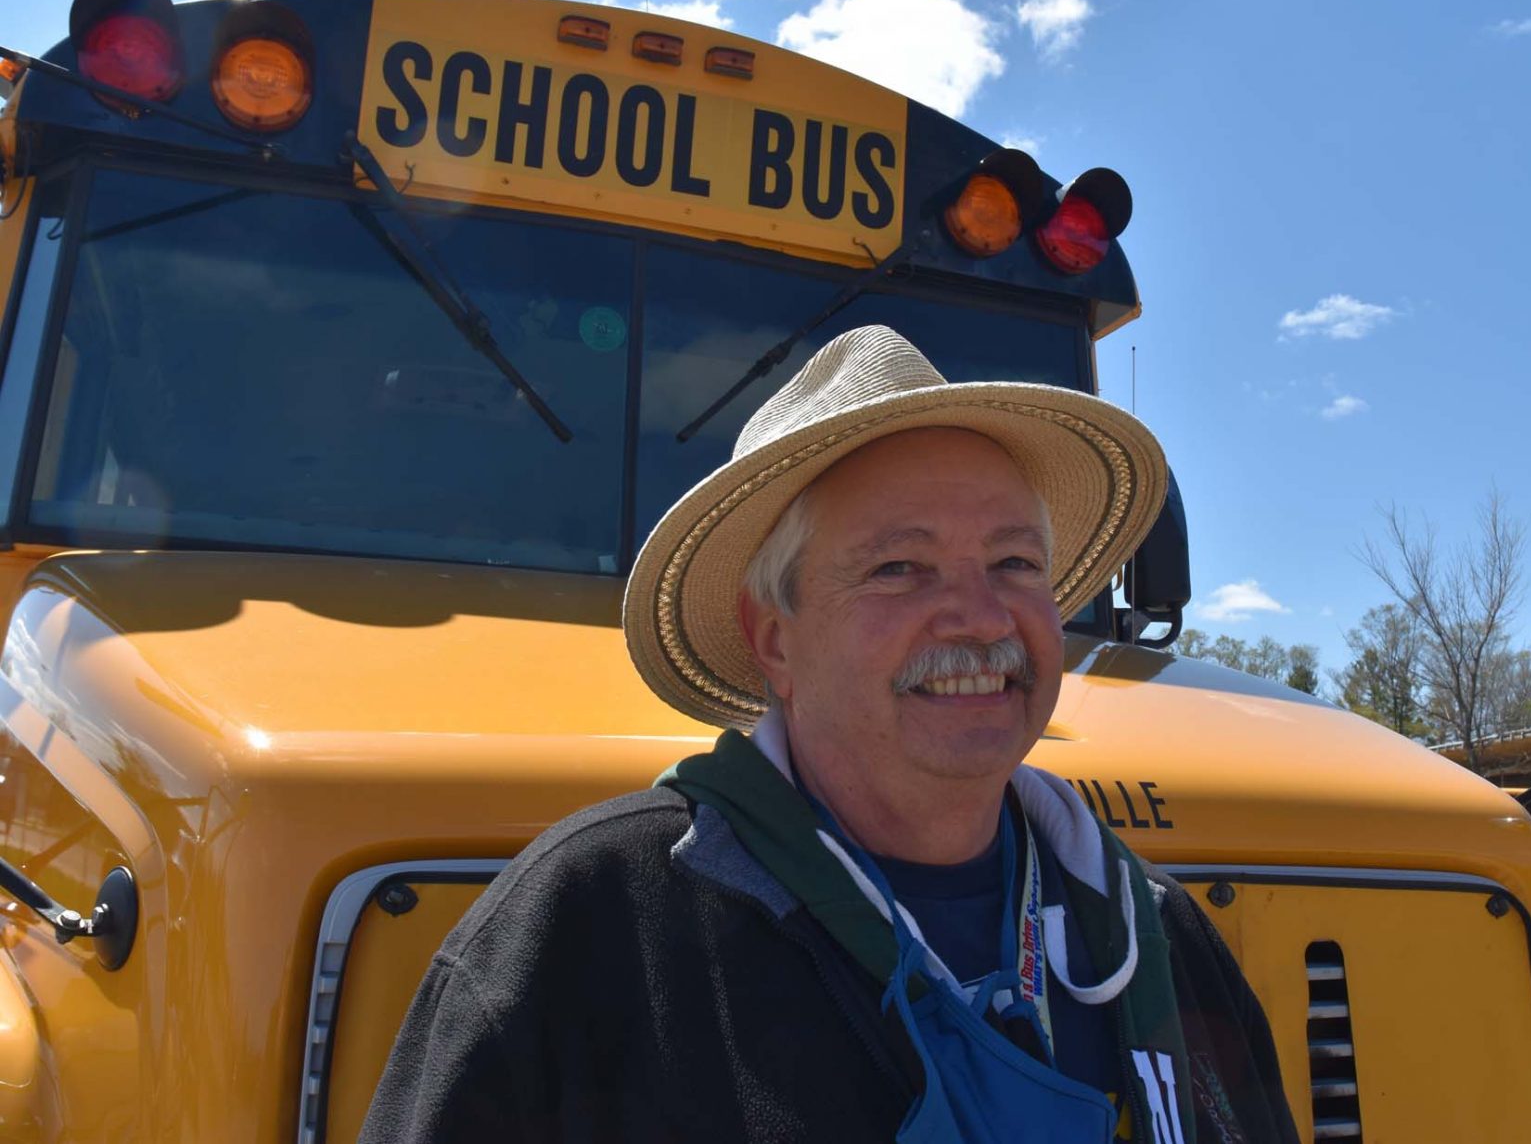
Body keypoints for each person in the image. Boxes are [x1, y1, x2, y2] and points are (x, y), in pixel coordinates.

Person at [361, 325, 1300, 1144]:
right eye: (899, 568)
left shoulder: (1158, 937)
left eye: (1014, 562)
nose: (979, 617)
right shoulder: (593, 929)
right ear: (776, 637)